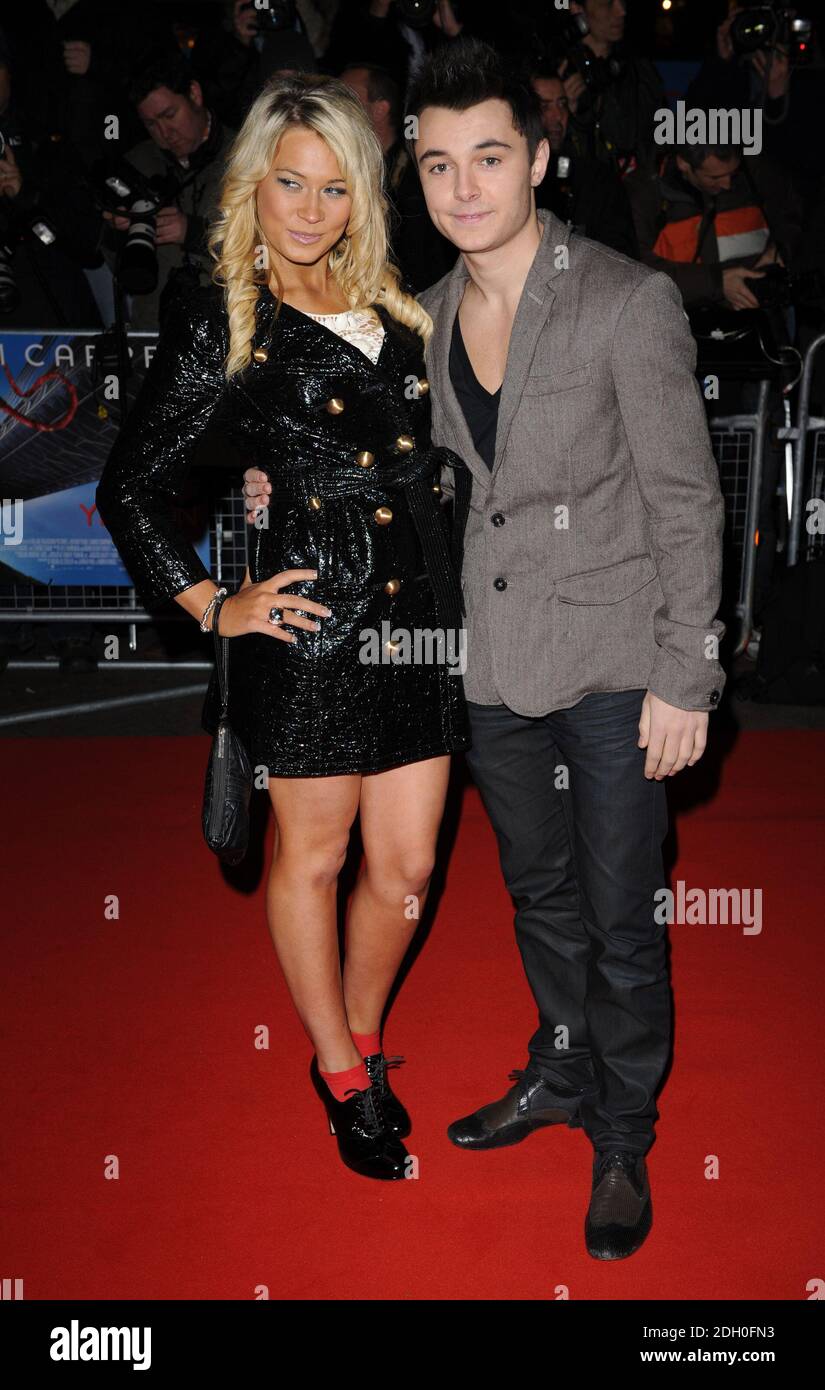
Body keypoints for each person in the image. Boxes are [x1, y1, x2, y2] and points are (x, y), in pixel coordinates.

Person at [244, 37, 727, 1260]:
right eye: (441, 163)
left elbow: (687, 499)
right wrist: (270, 481)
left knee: (621, 912)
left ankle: (622, 1132)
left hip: (621, 668)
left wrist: (688, 673)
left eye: (492, 159)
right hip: (492, 668)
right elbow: (400, 475)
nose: (465, 187)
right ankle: (562, 1067)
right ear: (418, 174)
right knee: (542, 896)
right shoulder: (424, 318)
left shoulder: (628, 299)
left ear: (541, 161)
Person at [95, 73, 471, 1183]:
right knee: (317, 855)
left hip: (419, 612)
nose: (309, 209)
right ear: (251, 186)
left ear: (362, 195)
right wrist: (214, 603)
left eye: (334, 187)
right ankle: (345, 1069)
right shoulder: (223, 309)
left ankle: (348, 1041)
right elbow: (132, 484)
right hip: (309, 624)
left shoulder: (393, 296)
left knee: (406, 868)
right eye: (287, 184)